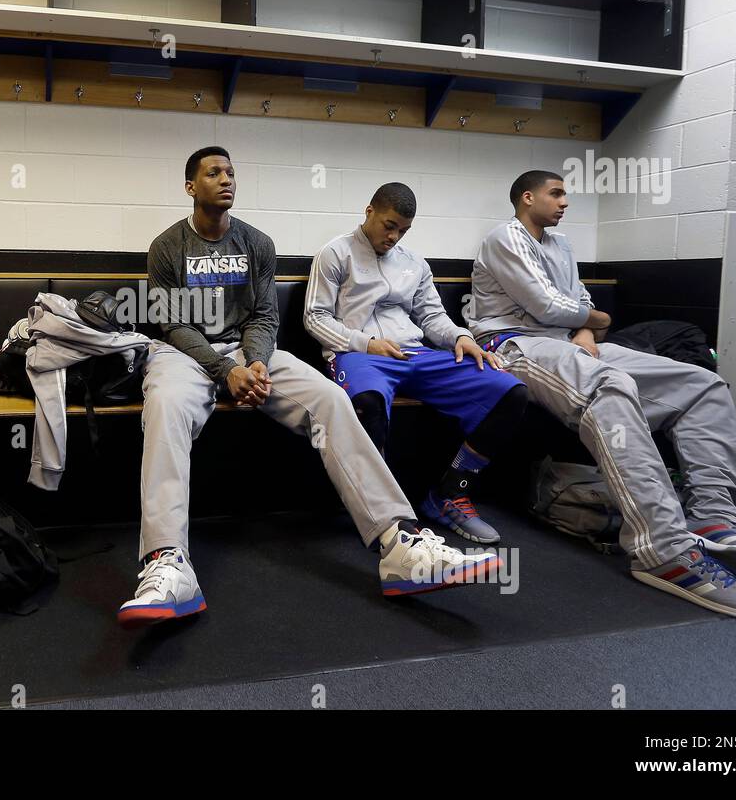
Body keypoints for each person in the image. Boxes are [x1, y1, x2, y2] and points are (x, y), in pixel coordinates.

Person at [117, 147, 501, 626]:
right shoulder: (167, 246)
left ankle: (399, 540)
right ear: (191, 187)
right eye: (213, 173)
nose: (225, 179)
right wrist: (225, 371)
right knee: (166, 406)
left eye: (231, 172)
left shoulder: (256, 243)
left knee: (331, 399)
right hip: (187, 355)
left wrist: (254, 364)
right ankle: (167, 562)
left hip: (247, 352)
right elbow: (174, 327)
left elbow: (263, 316)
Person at [469, 170, 736, 622]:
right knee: (611, 385)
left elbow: (576, 300)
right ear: (527, 197)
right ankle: (664, 550)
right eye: (556, 193)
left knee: (701, 385)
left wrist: (587, 326)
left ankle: (713, 518)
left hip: (570, 343)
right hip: (513, 345)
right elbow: (545, 307)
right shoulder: (503, 238)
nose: (565, 202)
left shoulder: (561, 246)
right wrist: (593, 320)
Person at [304, 182, 528, 544]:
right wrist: (367, 343)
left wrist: (461, 338)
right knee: (368, 403)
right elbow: (314, 318)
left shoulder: (414, 263)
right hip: (359, 354)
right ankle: (381, 516)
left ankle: (449, 495)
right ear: (369, 212)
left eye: (403, 230)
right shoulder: (335, 253)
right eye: (388, 225)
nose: (394, 236)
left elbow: (433, 318)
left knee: (508, 389)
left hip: (415, 354)